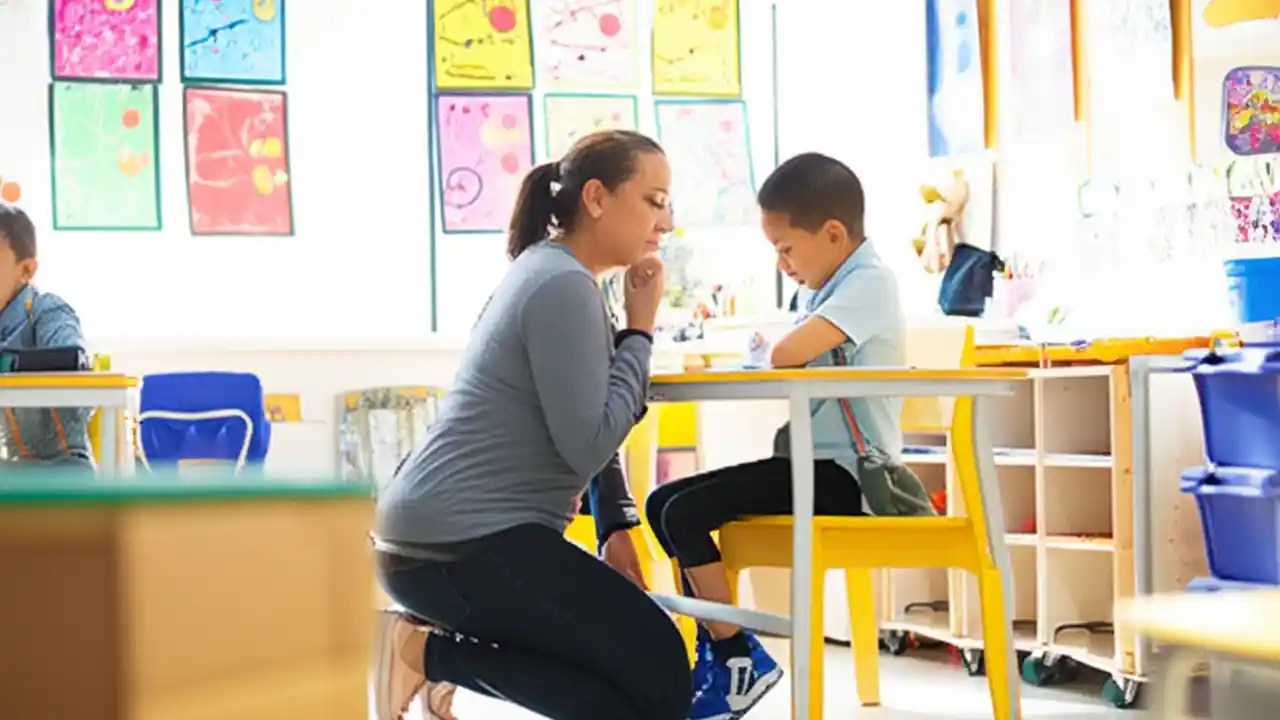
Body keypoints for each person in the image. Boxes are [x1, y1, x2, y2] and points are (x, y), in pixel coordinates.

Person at [372, 130, 691, 720]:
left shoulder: (553, 275)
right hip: (457, 544)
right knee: (660, 670)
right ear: (596, 197)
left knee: (640, 685)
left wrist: (616, 522)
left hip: (441, 540)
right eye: (654, 200)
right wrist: (640, 335)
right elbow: (588, 441)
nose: (666, 222)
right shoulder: (562, 285)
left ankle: (428, 655)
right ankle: (420, 653)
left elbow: (581, 417)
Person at [645, 153, 907, 719]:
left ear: (834, 234)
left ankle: (737, 658)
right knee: (664, 502)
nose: (783, 264)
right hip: (814, 469)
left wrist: (771, 348)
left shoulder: (869, 283)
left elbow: (787, 354)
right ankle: (731, 653)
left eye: (787, 249)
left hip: (849, 476)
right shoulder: (829, 290)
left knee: (682, 513)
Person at [0, 203, 92, 469]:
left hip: (64, 467)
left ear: (26, 270)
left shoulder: (47, 311)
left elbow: (71, 359)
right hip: (15, 468)